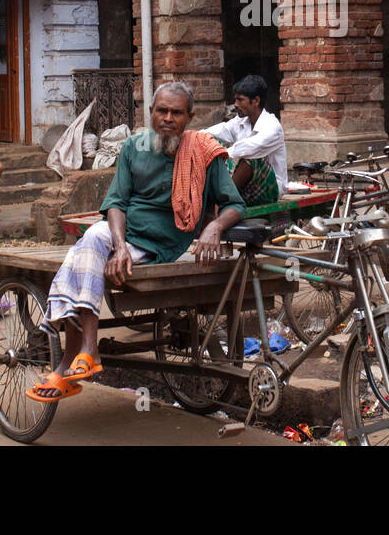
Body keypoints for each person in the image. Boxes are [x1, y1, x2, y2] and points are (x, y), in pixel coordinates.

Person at [27, 80, 246, 401]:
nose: (168, 118)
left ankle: (69, 362)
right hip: (121, 236)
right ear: (150, 112)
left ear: (190, 116)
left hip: (163, 243)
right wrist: (118, 246)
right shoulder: (133, 147)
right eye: (162, 111)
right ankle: (85, 354)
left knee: (84, 250)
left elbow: (235, 204)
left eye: (176, 113)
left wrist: (214, 228)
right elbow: (116, 203)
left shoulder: (204, 151)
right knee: (91, 244)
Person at [204, 74, 288, 207]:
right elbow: (221, 130)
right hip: (246, 186)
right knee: (208, 141)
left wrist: (222, 154)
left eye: (240, 100)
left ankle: (223, 202)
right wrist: (194, 137)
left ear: (255, 101)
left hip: (270, 189)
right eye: (235, 99)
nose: (235, 104)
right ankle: (216, 198)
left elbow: (251, 147)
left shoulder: (273, 127)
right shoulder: (241, 121)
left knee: (250, 156)